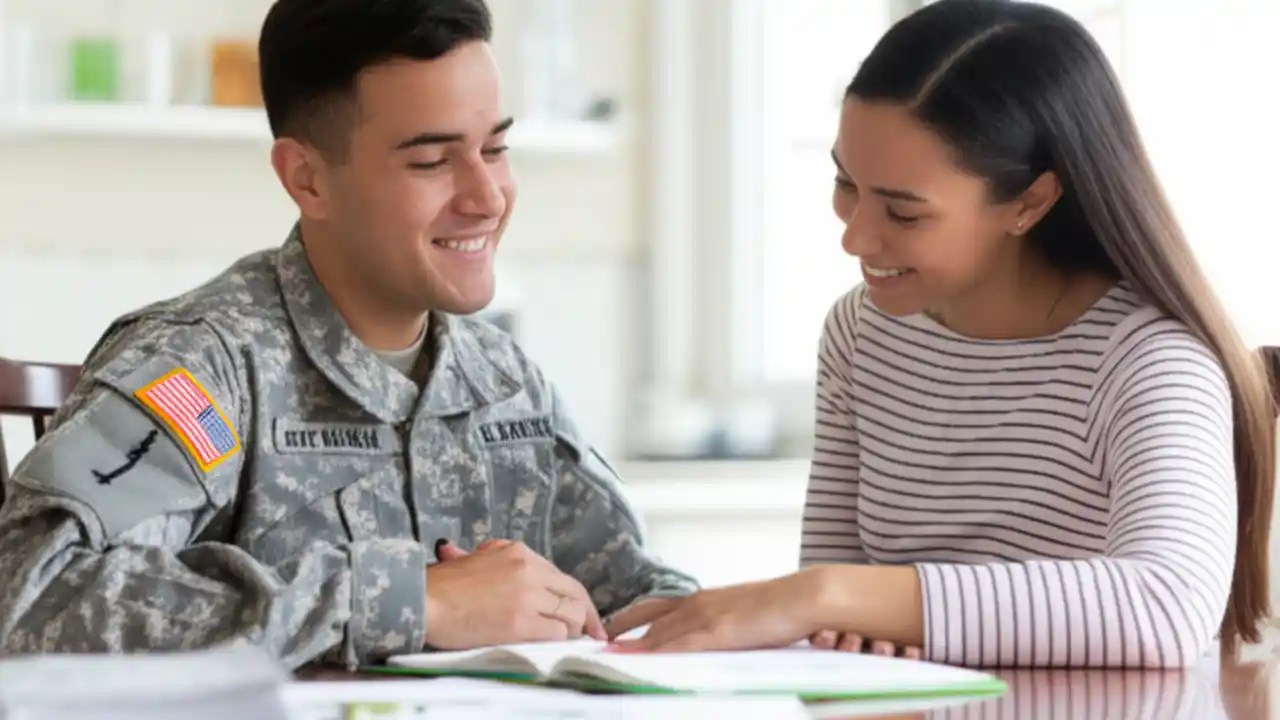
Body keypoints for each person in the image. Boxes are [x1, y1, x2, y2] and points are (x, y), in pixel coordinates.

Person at [0, 0, 694, 668]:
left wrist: (756, 610)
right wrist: (403, 601)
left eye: (496, 147)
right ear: (307, 179)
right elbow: (28, 599)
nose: (487, 197)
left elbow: (629, 602)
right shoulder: (205, 371)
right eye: (431, 161)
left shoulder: (506, 383)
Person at [611, 0, 1274, 668]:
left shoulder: (1148, 359)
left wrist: (819, 595)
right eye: (846, 182)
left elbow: (1166, 604)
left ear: (1030, 202)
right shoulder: (861, 336)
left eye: (903, 211)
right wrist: (780, 611)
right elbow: (838, 618)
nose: (855, 236)